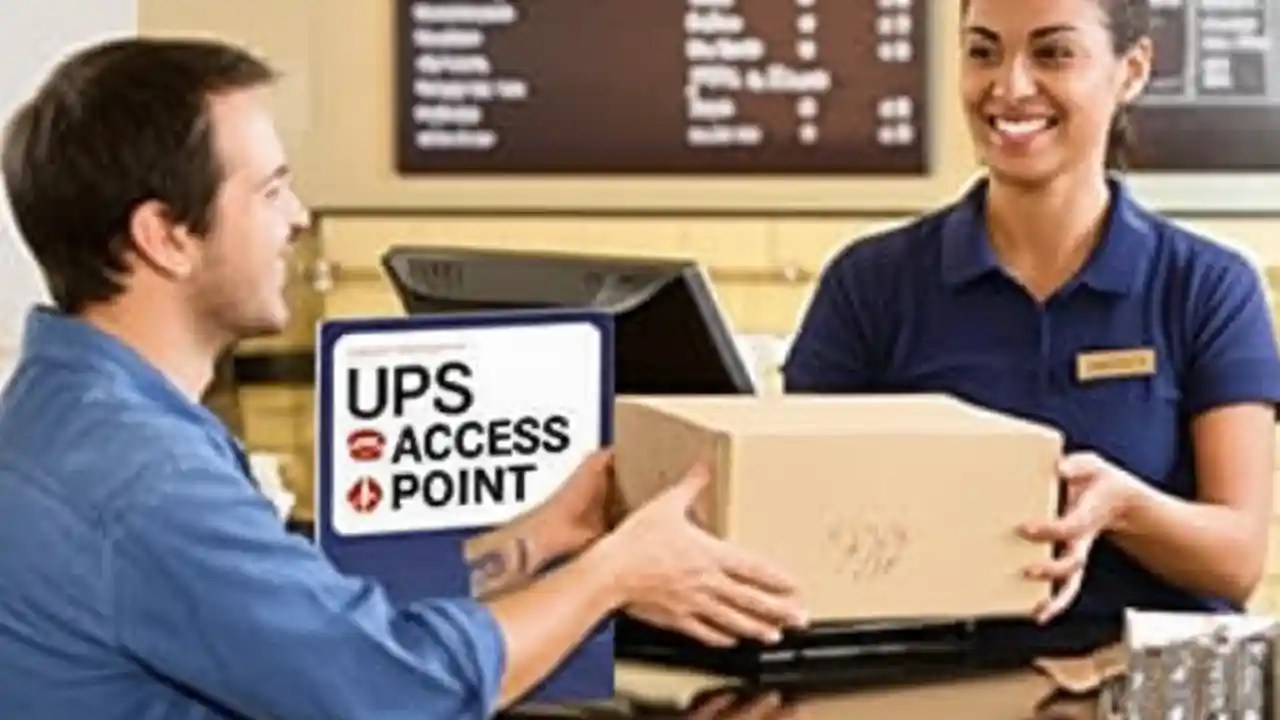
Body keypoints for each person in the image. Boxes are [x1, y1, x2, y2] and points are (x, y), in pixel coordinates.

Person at [0, 38, 809, 719]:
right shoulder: (145, 480)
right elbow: (393, 692)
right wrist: (615, 574)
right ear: (166, 236)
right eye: (271, 190)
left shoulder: (69, 420)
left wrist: (535, 543)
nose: (298, 218)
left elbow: (322, 626)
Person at [785, 0, 1280, 628]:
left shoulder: (1209, 288)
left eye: (1054, 54)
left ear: (1131, 71)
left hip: (1132, 674)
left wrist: (1125, 509)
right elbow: (801, 512)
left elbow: (1236, 561)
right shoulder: (868, 284)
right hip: (928, 672)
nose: (1010, 86)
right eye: (983, 52)